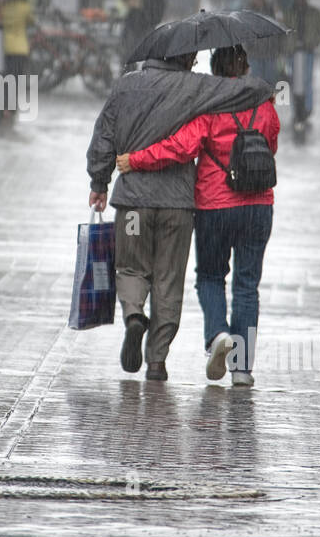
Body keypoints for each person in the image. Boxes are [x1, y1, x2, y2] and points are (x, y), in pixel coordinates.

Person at [87, 49, 274, 380]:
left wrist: (102, 178)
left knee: (134, 268)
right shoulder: (198, 88)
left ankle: (136, 316)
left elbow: (108, 135)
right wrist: (264, 89)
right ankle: (162, 361)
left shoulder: (127, 86)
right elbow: (263, 124)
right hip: (192, 205)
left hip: (141, 202)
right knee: (173, 280)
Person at [283, 0, 320, 129]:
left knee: (307, 80)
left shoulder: (314, 12)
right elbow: (284, 30)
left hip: (308, 50)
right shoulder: (290, 12)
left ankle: (307, 108)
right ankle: (297, 110)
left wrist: (313, 42)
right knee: (294, 81)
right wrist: (288, 45)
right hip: (293, 51)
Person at [0, 0, 33, 125]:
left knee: (6, 79)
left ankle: (3, 108)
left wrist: (0, 5)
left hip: (6, 48)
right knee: (16, 81)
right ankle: (10, 109)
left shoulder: (5, 6)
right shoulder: (25, 7)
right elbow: (31, 21)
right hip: (21, 49)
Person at [245, 0, 281, 85]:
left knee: (270, 82)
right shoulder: (248, 12)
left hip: (269, 53)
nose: (259, 0)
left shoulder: (270, 11)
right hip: (254, 54)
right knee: (256, 82)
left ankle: (268, 100)